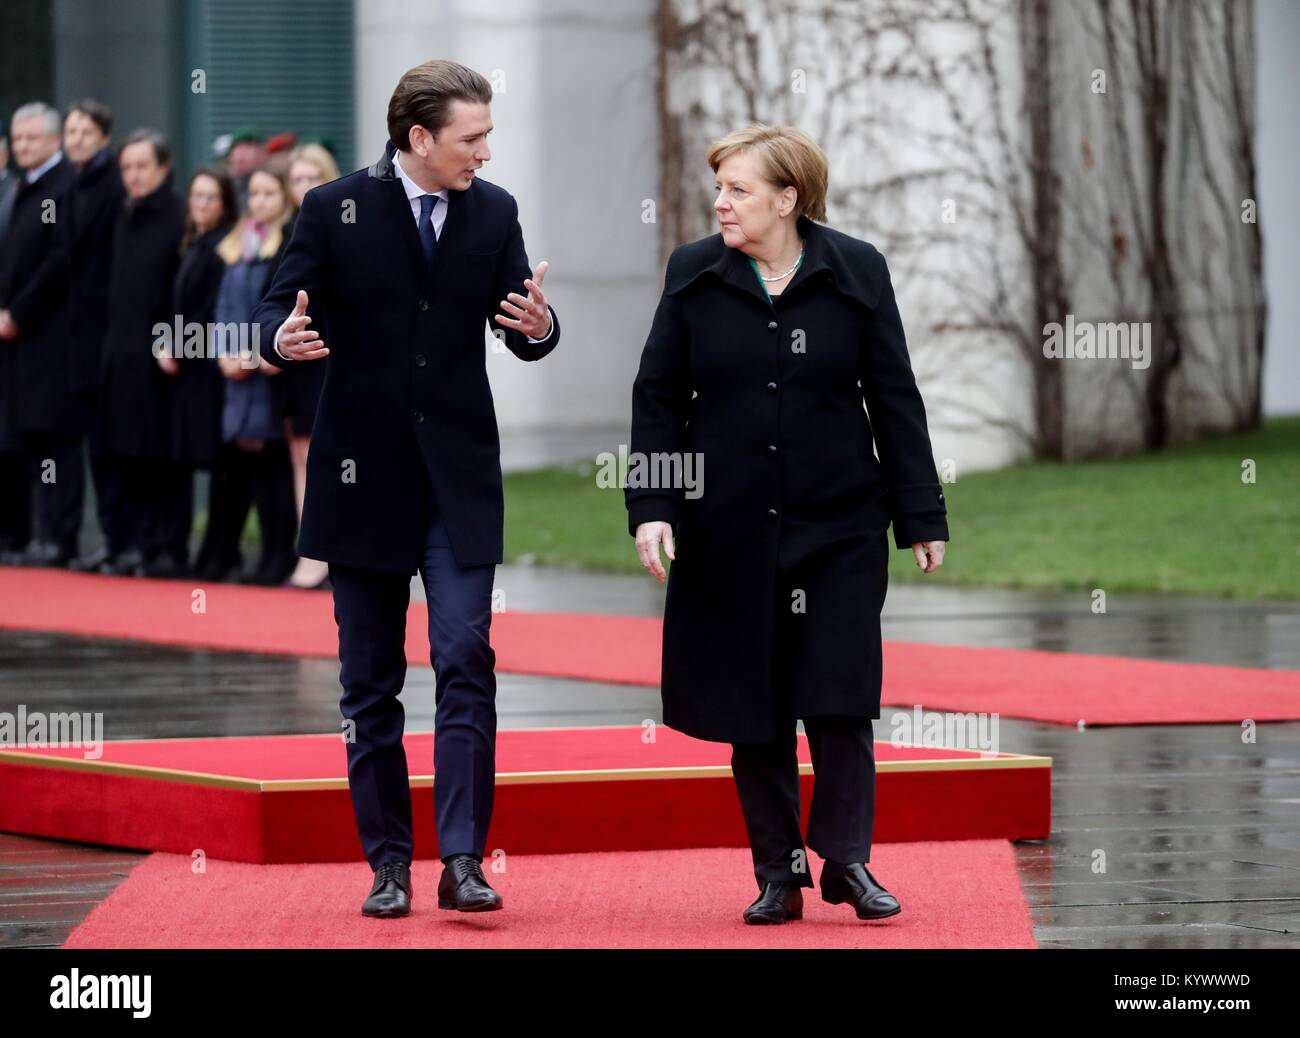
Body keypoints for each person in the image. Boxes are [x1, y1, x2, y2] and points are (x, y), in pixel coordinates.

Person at [253, 59, 560, 918]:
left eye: (489, 135)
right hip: (363, 481)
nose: (486, 154)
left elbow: (524, 320)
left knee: (466, 657)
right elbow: (277, 313)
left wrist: (543, 327)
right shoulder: (332, 208)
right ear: (417, 138)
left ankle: (462, 857)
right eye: (473, 138)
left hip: (457, 482)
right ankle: (388, 862)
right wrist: (284, 335)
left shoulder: (493, 212)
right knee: (369, 681)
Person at [626, 124, 950, 925]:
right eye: (721, 187)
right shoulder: (695, 272)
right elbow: (659, 397)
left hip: (838, 523)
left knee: (840, 692)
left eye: (738, 188)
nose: (721, 202)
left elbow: (894, 397)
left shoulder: (855, 270)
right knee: (754, 701)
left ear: (788, 198)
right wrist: (654, 507)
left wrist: (919, 513)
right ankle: (778, 872)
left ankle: (846, 860)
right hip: (729, 527)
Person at [192, 164, 297, 585]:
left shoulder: (284, 246)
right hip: (236, 379)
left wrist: (253, 357)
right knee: (245, 470)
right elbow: (223, 310)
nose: (260, 202)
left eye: (269, 194)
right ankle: (253, 556)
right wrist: (222, 355)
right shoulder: (238, 247)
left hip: (269, 376)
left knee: (276, 471)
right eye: (254, 194)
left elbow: (277, 310)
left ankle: (280, 554)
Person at [96, 129, 188, 576]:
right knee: (121, 454)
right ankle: (127, 543)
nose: (132, 176)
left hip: (161, 357)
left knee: (160, 456)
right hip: (119, 354)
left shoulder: (178, 218)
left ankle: (165, 546)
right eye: (126, 168)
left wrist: (172, 340)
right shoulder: (122, 215)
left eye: (141, 167)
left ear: (163, 169)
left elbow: (182, 291)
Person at [0, 102, 77, 567]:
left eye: (33, 139)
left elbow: (56, 259)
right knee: (28, 434)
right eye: (19, 139)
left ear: (54, 141)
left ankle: (59, 536)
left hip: (49, 335)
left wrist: (19, 311)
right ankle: (40, 533)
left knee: (55, 438)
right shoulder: (24, 188)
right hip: (21, 336)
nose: (24, 146)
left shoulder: (57, 188)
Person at [62, 99, 128, 574]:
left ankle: (123, 539)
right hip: (79, 335)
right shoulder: (68, 185)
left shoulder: (112, 186)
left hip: (109, 332)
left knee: (113, 443)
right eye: (71, 132)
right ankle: (110, 537)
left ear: (104, 137)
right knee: (96, 445)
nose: (77, 140)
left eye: (85, 132)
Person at [167, 167, 237, 578]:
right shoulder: (192, 244)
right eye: (196, 196)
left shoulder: (222, 248)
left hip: (210, 370)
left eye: (210, 197)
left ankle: (219, 551)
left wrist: (177, 344)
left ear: (225, 204)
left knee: (218, 463)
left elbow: (213, 311)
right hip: (188, 371)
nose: (200, 205)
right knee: (190, 459)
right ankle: (195, 550)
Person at [279, 142, 340, 590]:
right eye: (295, 179)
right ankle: (311, 549)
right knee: (298, 455)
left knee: (320, 457)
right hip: (290, 359)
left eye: (310, 178)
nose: (302, 187)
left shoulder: (338, 226)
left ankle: (322, 553)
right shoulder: (287, 231)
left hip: (323, 355)